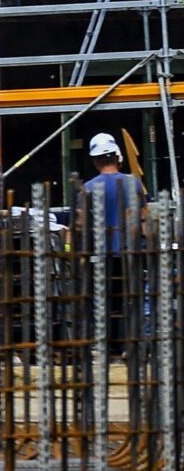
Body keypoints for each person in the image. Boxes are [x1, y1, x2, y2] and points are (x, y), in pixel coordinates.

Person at [81, 132, 148, 354]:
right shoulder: (134, 184)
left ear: (95, 160)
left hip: (100, 254)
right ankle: (129, 346)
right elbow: (144, 218)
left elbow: (81, 224)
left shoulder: (88, 188)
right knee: (130, 299)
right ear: (117, 157)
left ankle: (105, 347)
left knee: (102, 301)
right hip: (129, 252)